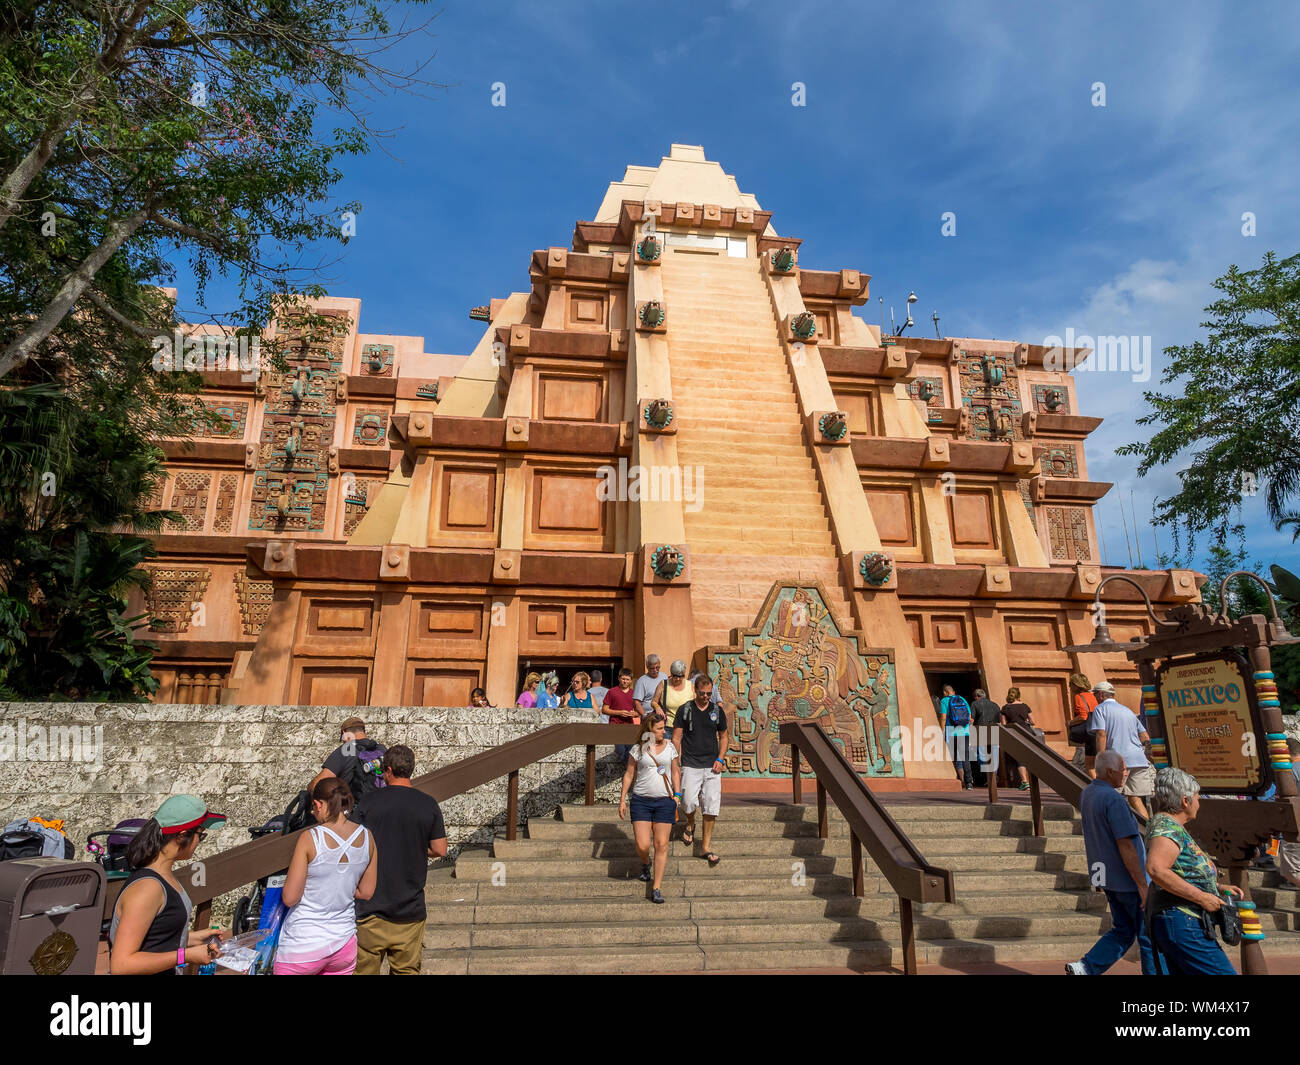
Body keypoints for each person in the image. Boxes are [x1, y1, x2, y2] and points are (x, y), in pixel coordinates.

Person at [353, 745, 448, 975]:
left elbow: (352, 844)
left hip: (370, 910)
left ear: (387, 770)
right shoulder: (428, 804)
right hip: (409, 911)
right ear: (411, 770)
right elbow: (440, 849)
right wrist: (417, 847)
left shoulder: (368, 803)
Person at [108, 795, 228, 975]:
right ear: (181, 836)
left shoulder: (164, 876)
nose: (199, 843)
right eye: (200, 835)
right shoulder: (148, 888)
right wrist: (185, 956)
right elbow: (122, 965)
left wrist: (195, 938)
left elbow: (157, 940)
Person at [1066, 750, 1161, 975]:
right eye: (1122, 769)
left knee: (1123, 930)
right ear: (1110, 772)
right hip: (1127, 879)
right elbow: (1126, 845)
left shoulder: (1088, 793)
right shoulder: (1113, 800)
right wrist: (1142, 884)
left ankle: (1087, 967)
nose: (1125, 773)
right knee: (1149, 935)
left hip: (1106, 875)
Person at [274, 777, 377, 975]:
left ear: (319, 805)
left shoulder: (311, 838)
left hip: (304, 943)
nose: (313, 813)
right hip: (344, 943)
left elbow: (290, 897)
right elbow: (366, 891)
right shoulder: (367, 837)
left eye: (314, 807)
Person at [1144, 767, 1241, 976]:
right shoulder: (1166, 827)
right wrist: (1202, 896)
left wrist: (1216, 887)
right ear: (1185, 801)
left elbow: (1179, 870)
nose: (1199, 802)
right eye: (1197, 797)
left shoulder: (1169, 825)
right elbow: (1156, 869)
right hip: (1182, 919)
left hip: (1182, 918)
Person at [618, 711, 680, 904]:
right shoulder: (638, 749)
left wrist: (677, 795)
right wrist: (622, 799)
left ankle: (657, 887)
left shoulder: (670, 747)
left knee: (661, 845)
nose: (664, 732)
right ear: (650, 729)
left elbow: (675, 771)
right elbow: (629, 774)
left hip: (664, 801)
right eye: (660, 728)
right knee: (643, 845)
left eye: (664, 728)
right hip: (641, 800)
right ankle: (646, 863)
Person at [673, 674, 728, 866]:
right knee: (688, 802)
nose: (706, 696)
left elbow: (724, 737)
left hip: (712, 765)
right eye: (702, 693)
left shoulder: (717, 711)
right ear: (695, 690)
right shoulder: (685, 710)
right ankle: (690, 822)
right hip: (690, 762)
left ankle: (705, 846)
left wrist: (720, 758)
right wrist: (676, 759)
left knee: (711, 806)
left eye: (709, 693)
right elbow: (677, 737)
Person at [1089, 680, 1154, 818]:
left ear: (1101, 695)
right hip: (1138, 759)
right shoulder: (1127, 710)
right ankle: (1148, 832)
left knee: (1112, 798)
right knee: (1135, 799)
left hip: (1117, 761)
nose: (1094, 697)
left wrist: (1101, 758)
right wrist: (1148, 752)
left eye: (1095, 694)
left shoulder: (1100, 709)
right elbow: (1144, 735)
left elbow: (1101, 734)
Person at [311, 716, 386, 806]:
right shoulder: (382, 750)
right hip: (382, 810)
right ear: (363, 731)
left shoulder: (345, 750)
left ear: (344, 734)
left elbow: (317, 785)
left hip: (355, 814)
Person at [1000, 688, 1037, 790]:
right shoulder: (1025, 706)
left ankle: (1024, 781)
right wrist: (1025, 722)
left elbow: (1004, 724)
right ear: (1018, 695)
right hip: (1027, 733)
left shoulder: (1005, 708)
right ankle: (1031, 782)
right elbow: (1033, 722)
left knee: (1019, 758)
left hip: (1015, 734)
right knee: (1028, 756)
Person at [938, 685, 973, 790]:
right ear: (953, 691)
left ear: (945, 692)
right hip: (965, 732)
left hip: (951, 732)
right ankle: (969, 782)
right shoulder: (962, 699)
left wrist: (941, 731)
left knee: (955, 757)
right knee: (965, 757)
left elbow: (943, 717)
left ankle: (960, 780)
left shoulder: (944, 701)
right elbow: (970, 717)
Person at [603, 667, 640, 764]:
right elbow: (604, 709)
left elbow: (638, 711)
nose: (625, 681)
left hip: (629, 727)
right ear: (619, 678)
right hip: (615, 726)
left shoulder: (634, 693)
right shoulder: (612, 691)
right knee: (620, 751)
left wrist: (633, 714)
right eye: (623, 679)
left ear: (631, 680)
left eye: (627, 679)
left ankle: (626, 774)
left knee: (631, 752)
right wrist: (619, 712)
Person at [969, 688, 1002, 786]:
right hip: (994, 730)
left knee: (979, 754)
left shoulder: (975, 704)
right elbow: (999, 722)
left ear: (977, 696)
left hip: (981, 730)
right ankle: (993, 776)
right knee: (995, 755)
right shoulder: (995, 705)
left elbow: (972, 720)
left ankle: (990, 773)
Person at [652, 659, 694, 733]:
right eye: (675, 676)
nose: (678, 679)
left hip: (686, 727)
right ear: (671, 674)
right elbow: (653, 702)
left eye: (681, 676)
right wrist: (657, 708)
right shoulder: (663, 684)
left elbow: (696, 704)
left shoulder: (690, 685)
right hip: (668, 727)